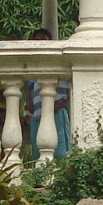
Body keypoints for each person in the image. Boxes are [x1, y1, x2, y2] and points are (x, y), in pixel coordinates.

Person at [25, 27, 70, 160]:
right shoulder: (34, 65)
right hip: (37, 114)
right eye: (36, 40)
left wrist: (61, 104)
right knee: (38, 152)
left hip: (56, 113)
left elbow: (71, 90)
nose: (39, 43)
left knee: (60, 152)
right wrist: (28, 103)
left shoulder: (58, 62)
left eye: (43, 40)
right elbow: (30, 88)